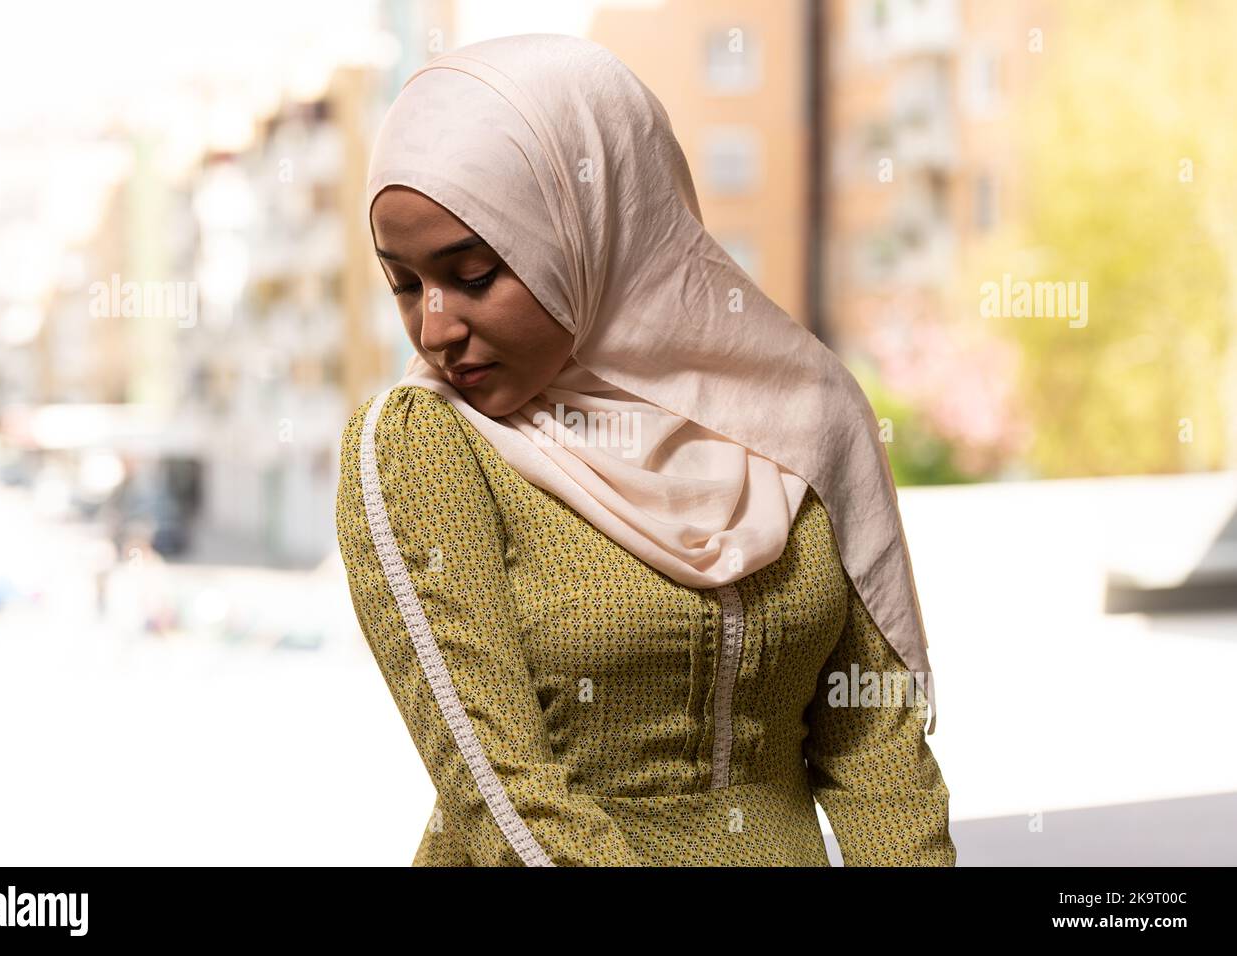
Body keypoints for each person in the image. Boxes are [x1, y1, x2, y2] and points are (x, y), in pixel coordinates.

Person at [335, 33, 955, 866]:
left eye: (475, 272)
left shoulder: (803, 417)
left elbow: (874, 747)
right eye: (404, 285)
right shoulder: (420, 445)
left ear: (596, 227)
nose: (436, 327)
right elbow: (504, 790)